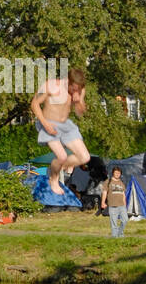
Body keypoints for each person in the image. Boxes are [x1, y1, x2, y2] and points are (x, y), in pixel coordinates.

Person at [30, 66, 89, 196]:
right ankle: (54, 179)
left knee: (85, 157)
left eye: (78, 89)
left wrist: (79, 103)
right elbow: (34, 104)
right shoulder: (50, 85)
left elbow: (80, 111)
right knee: (61, 156)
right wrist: (45, 124)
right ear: (67, 80)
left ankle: (56, 167)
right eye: (73, 88)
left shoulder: (79, 90)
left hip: (65, 125)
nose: (75, 91)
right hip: (47, 123)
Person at [101, 165, 127, 238]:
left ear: (120, 174)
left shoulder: (121, 183)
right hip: (112, 205)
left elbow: (123, 194)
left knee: (125, 220)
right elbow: (105, 192)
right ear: (113, 173)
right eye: (116, 173)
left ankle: (120, 232)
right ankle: (115, 237)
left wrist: (125, 205)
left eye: (119, 173)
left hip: (122, 205)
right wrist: (103, 202)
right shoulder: (108, 182)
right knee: (114, 222)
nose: (117, 174)